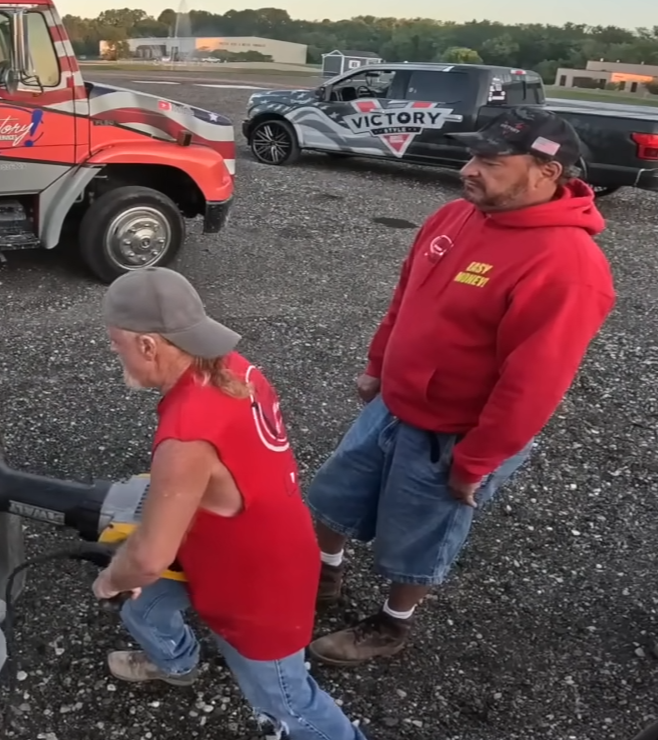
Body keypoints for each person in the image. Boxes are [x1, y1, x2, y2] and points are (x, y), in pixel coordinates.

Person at [305, 107, 617, 667]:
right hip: (393, 404)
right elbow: (407, 295)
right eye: (473, 156)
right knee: (334, 495)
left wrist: (477, 462)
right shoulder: (455, 215)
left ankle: (392, 624)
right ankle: (324, 577)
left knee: (418, 533)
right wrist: (378, 365)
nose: (469, 170)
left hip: (453, 431)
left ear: (547, 173)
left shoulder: (568, 265)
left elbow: (534, 382)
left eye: (491, 162)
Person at [92, 266, 367, 740]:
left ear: (149, 346)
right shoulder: (233, 366)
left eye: (117, 346)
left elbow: (149, 557)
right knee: (145, 609)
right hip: (245, 544)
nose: (117, 357)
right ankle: (176, 663)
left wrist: (109, 579)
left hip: (258, 589)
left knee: (287, 703)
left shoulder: (185, 435)